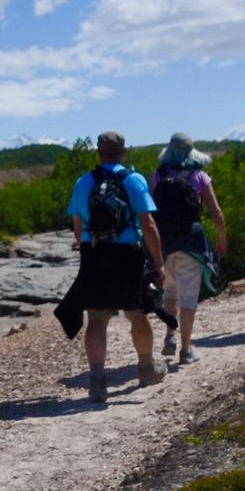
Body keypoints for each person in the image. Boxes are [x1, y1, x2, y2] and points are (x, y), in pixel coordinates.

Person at [59, 131, 167, 402]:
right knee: (137, 313)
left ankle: (97, 381)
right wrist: (158, 263)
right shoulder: (134, 180)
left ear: (98, 152)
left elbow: (77, 225)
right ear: (123, 152)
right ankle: (146, 368)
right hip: (128, 255)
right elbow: (148, 224)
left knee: (96, 318)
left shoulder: (84, 182)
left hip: (95, 254)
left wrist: (87, 249)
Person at [150, 132, 226, 369]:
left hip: (165, 243)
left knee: (170, 291)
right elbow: (216, 211)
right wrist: (222, 238)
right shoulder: (199, 176)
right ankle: (186, 349)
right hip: (191, 242)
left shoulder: (158, 175)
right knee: (188, 297)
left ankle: (170, 335)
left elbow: (151, 213)